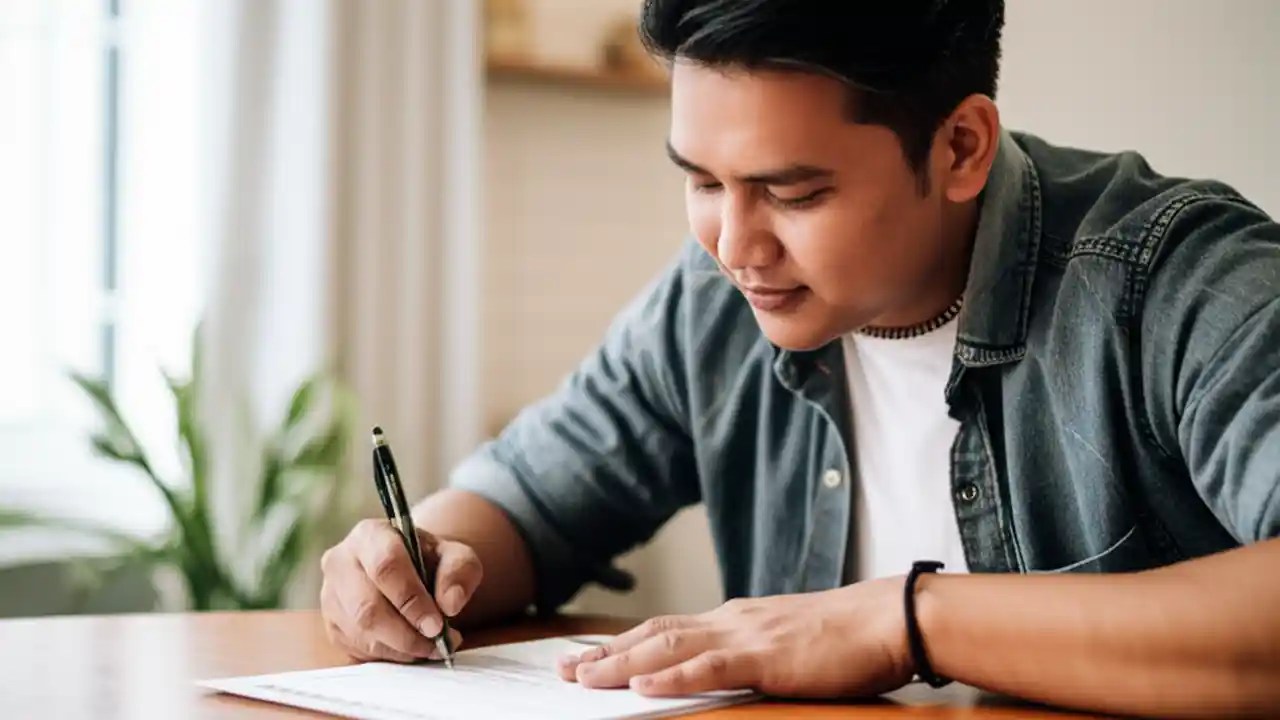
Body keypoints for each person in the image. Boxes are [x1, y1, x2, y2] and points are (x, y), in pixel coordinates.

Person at [318, 1, 1280, 716]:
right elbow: (526, 504)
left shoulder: (1179, 281)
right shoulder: (714, 301)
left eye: (793, 193)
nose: (734, 244)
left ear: (960, 147)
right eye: (700, 180)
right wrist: (419, 562)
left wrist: (902, 621)